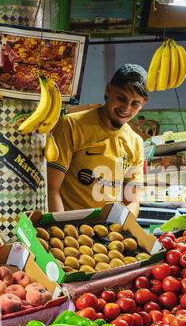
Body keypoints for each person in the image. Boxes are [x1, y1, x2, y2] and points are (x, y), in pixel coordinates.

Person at [46, 63, 148, 215]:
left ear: (143, 104)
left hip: (107, 233)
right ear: (108, 90)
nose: (126, 108)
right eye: (121, 98)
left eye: (135, 103)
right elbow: (51, 188)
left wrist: (122, 230)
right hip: (70, 229)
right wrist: (62, 230)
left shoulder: (136, 143)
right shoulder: (71, 126)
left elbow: (132, 200)